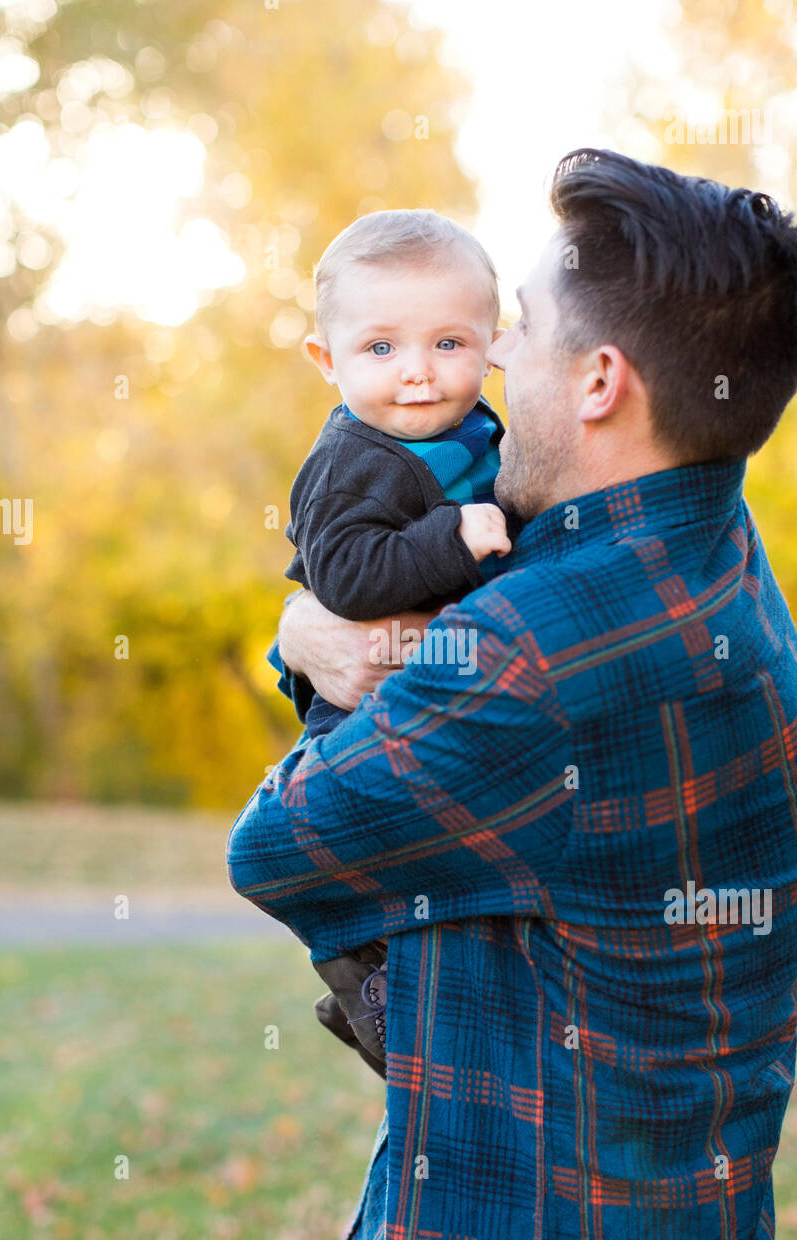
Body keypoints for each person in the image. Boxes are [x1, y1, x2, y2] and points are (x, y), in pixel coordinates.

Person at [227, 149, 797, 1240]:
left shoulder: (531, 647)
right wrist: (306, 629)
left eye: (521, 323)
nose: (495, 353)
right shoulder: (711, 541)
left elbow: (275, 846)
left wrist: (307, 636)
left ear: (599, 380)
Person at [272, 209, 517, 1075]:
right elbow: (344, 577)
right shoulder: (355, 459)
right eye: (380, 348)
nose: (417, 371)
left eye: (449, 343)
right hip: (355, 710)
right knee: (378, 831)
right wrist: (453, 538)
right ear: (326, 360)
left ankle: (385, 985)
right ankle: (365, 978)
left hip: (434, 682)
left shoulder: (474, 430)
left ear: (494, 344)